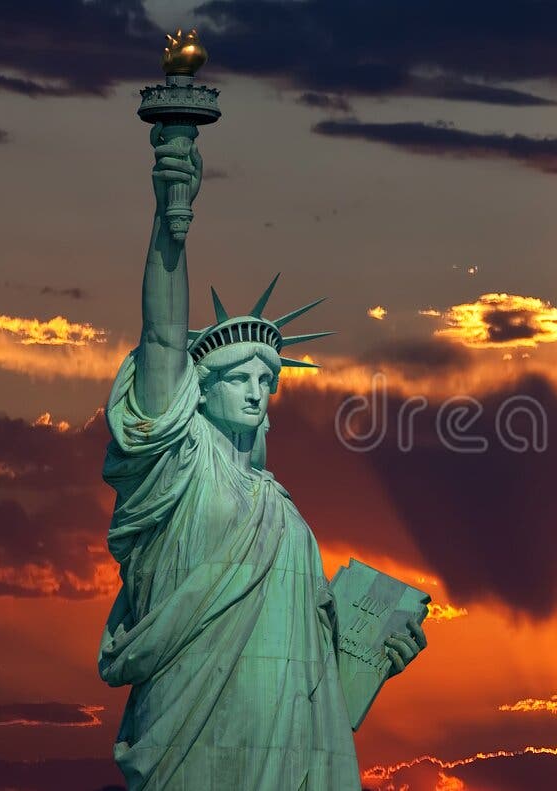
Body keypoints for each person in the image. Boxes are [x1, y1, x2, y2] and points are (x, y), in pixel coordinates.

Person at [95, 122, 425, 790]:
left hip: (293, 749)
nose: (256, 389)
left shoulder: (280, 510)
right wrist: (170, 217)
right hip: (195, 736)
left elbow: (306, 668)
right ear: (198, 390)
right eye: (239, 376)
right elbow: (161, 337)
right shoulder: (178, 468)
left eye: (266, 379)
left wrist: (368, 654)